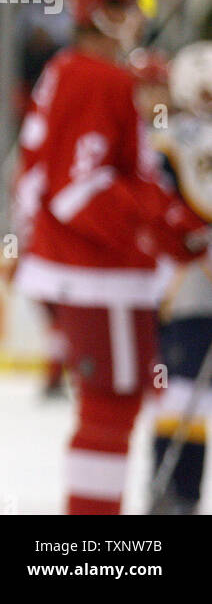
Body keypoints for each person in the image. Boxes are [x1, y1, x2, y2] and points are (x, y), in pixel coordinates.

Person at [12, 0, 195, 514]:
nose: (142, 15)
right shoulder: (100, 79)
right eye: (133, 3)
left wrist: (176, 227)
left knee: (107, 407)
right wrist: (153, 232)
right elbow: (80, 188)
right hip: (97, 273)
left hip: (78, 269)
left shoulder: (71, 70)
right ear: (101, 11)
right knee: (109, 411)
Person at [147, 41, 212, 513]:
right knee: (184, 386)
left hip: (186, 277)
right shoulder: (163, 139)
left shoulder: (163, 137)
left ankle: (177, 492)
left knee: (187, 387)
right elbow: (157, 212)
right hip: (185, 280)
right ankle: (176, 491)